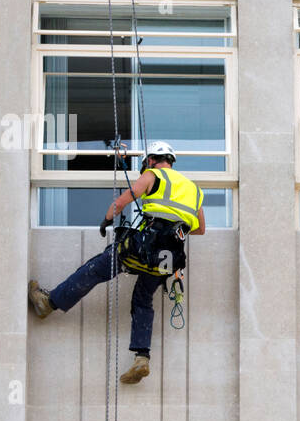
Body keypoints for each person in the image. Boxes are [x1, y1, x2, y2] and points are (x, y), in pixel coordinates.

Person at [27, 140, 206, 384]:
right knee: (143, 299)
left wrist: (106, 220)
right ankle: (142, 358)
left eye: (146, 164)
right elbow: (200, 229)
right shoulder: (194, 190)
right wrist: (172, 227)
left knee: (97, 268)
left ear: (151, 159)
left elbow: (122, 201)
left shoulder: (153, 175)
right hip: (167, 259)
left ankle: (49, 303)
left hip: (143, 248)